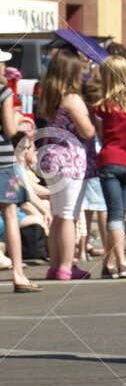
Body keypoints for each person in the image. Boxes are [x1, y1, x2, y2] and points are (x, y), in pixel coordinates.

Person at [34, 49, 99, 282]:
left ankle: (54, 265)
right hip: (70, 160)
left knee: (57, 215)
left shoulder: (49, 96)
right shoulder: (72, 98)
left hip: (51, 158)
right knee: (69, 216)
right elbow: (87, 131)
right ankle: (66, 266)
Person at [92, 54, 126, 280]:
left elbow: (102, 136)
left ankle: (115, 262)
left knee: (115, 214)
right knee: (119, 214)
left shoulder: (102, 106)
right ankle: (117, 262)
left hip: (109, 160)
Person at [0, 59, 41, 292]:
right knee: (11, 217)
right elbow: (9, 130)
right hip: (3, 162)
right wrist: (16, 120)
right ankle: (18, 274)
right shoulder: (4, 92)